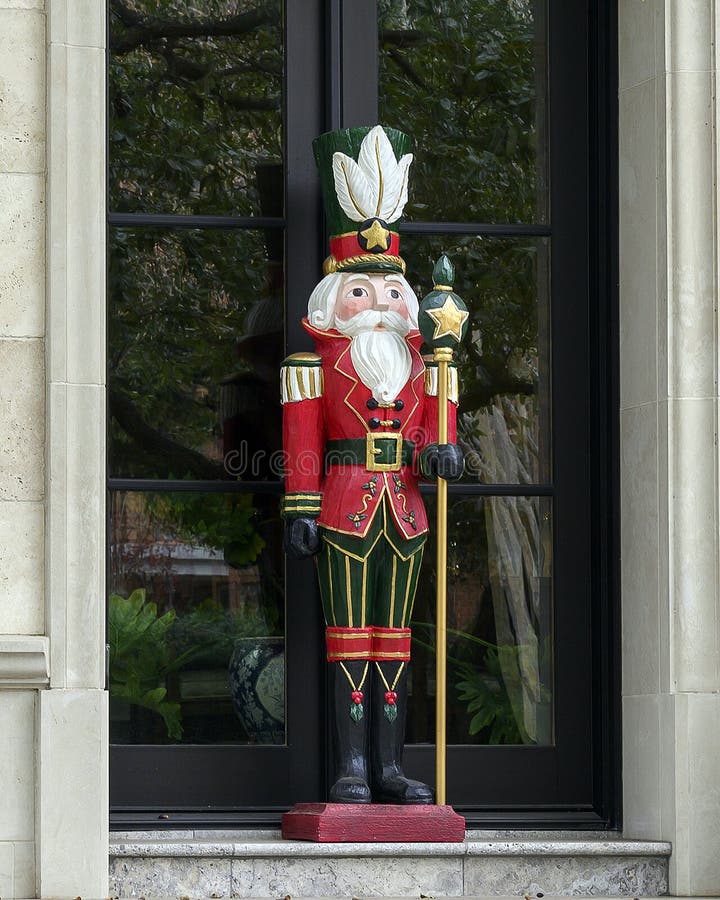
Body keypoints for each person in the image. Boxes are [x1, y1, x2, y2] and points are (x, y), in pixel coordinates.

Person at [281, 126, 463, 804]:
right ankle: (351, 768)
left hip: (408, 509)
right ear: (336, 300)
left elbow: (435, 434)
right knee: (349, 639)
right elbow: (302, 440)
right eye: (363, 292)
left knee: (397, 643)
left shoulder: (427, 365)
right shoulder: (313, 365)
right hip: (344, 503)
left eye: (390, 293)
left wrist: (441, 450)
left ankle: (390, 767)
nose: (379, 305)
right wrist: (299, 506)